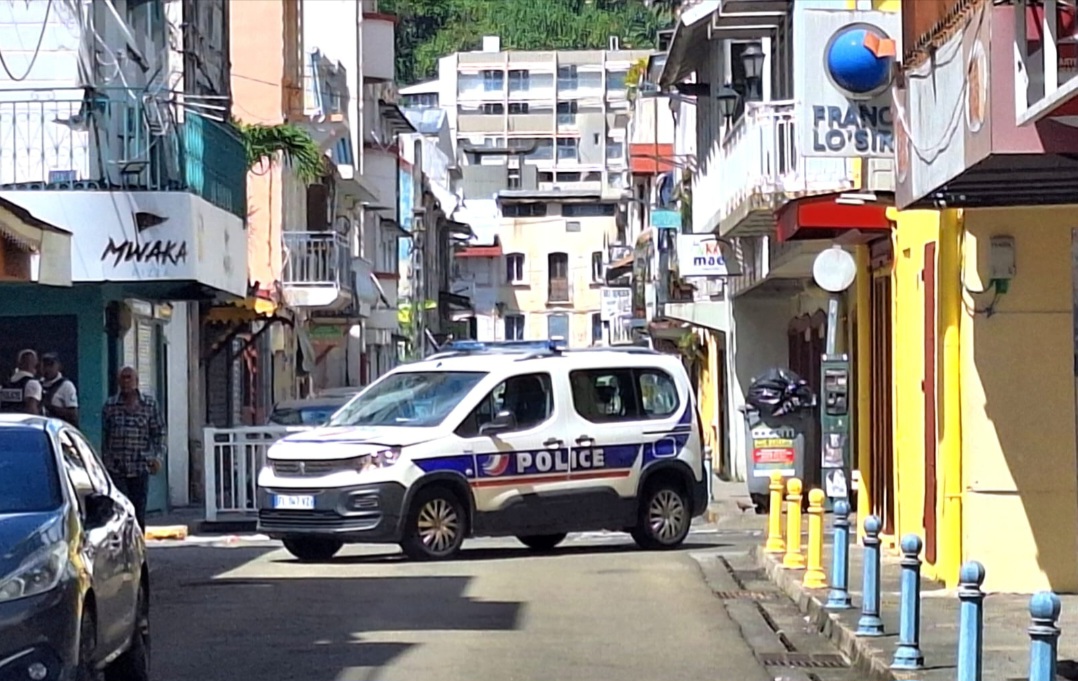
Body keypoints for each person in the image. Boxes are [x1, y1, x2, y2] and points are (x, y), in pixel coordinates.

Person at [102, 366, 165, 529]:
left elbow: (159, 434)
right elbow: (106, 437)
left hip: (139, 467)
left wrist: (157, 457)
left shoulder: (149, 405)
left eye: (129, 378)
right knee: (120, 514)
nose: (126, 382)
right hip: (117, 469)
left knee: (138, 514)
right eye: (123, 378)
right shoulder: (110, 406)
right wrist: (106, 462)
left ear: (137, 381)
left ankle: (138, 550)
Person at [39, 352, 79, 426]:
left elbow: (73, 414)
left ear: (58, 366)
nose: (47, 369)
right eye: (45, 365)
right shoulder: (38, 384)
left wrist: (50, 407)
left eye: (51, 365)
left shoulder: (66, 386)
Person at [0, 349, 42, 414]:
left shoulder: (4, 385)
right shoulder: (32, 383)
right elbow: (32, 410)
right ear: (35, 364)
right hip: (22, 422)